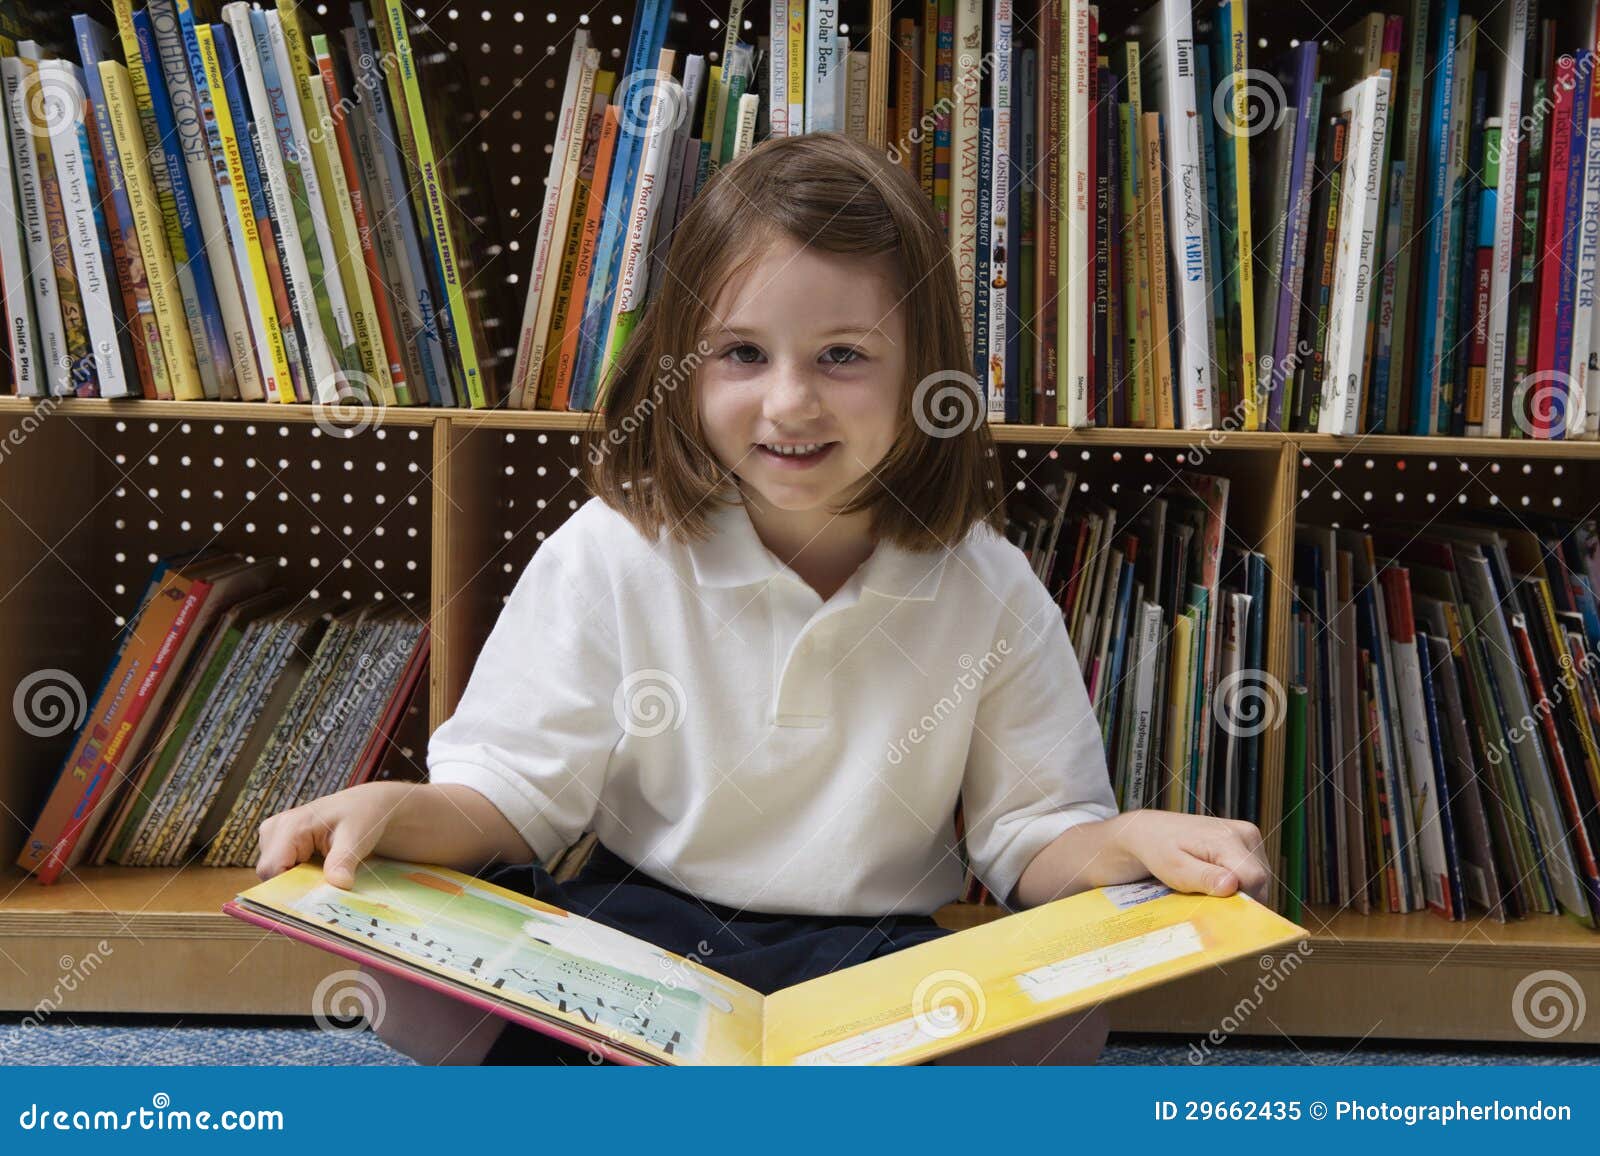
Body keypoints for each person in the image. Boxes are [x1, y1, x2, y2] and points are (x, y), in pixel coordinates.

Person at [254, 131, 1268, 1066]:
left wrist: (1126, 839)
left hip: (868, 957)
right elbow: (509, 800)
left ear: (925, 372)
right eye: (742, 353)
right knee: (417, 981)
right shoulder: (611, 551)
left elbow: (1032, 839)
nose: (789, 403)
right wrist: (396, 809)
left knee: (1062, 1026)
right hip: (636, 930)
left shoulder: (986, 583)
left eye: (843, 355)